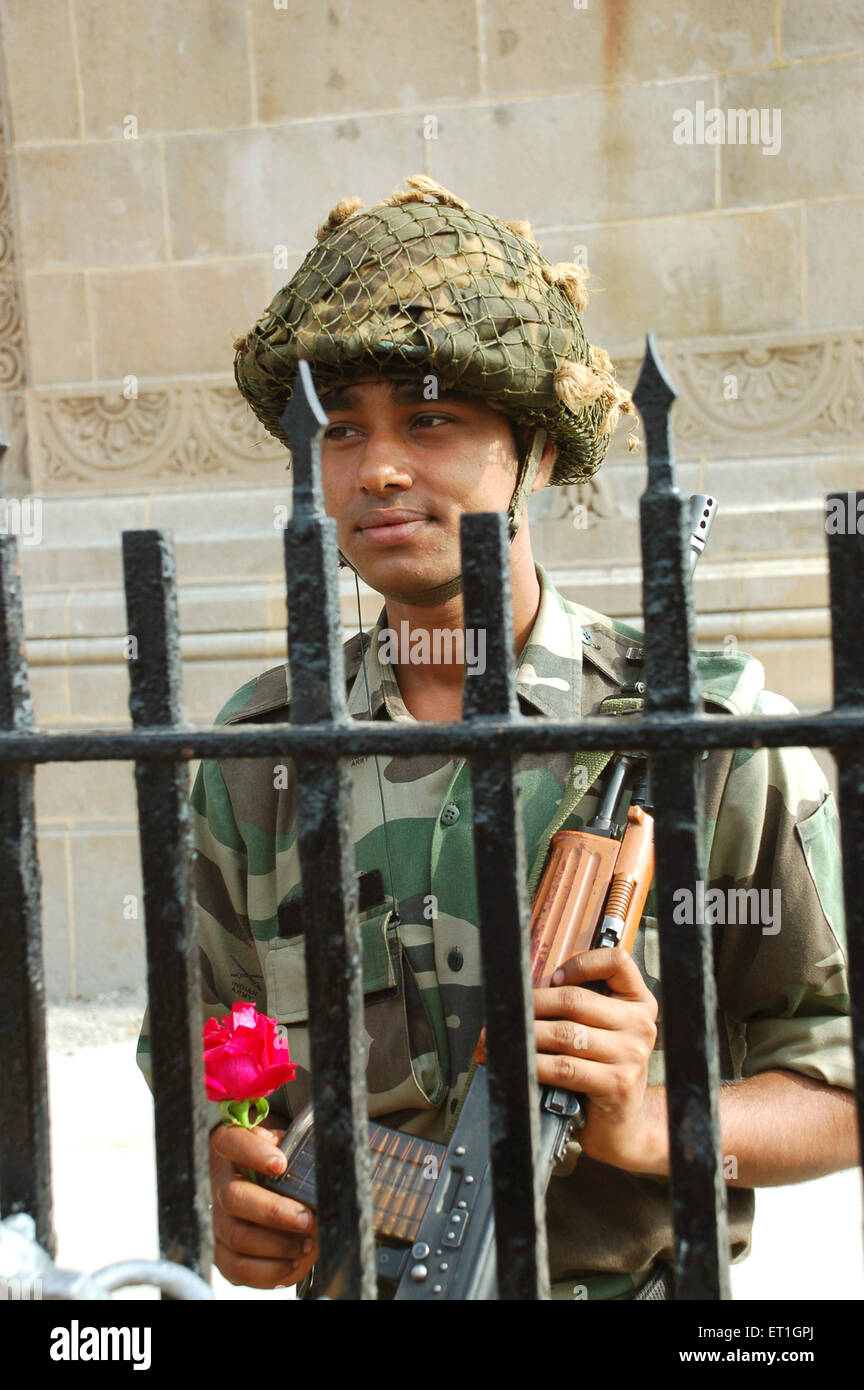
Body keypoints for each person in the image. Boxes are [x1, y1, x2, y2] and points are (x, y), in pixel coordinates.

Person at [137, 175, 857, 1299]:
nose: (377, 467)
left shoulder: (700, 744)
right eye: (342, 427)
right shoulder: (268, 759)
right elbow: (200, 1049)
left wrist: (648, 1122)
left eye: (430, 420)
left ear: (542, 451)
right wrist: (229, 1181)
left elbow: (839, 1072)